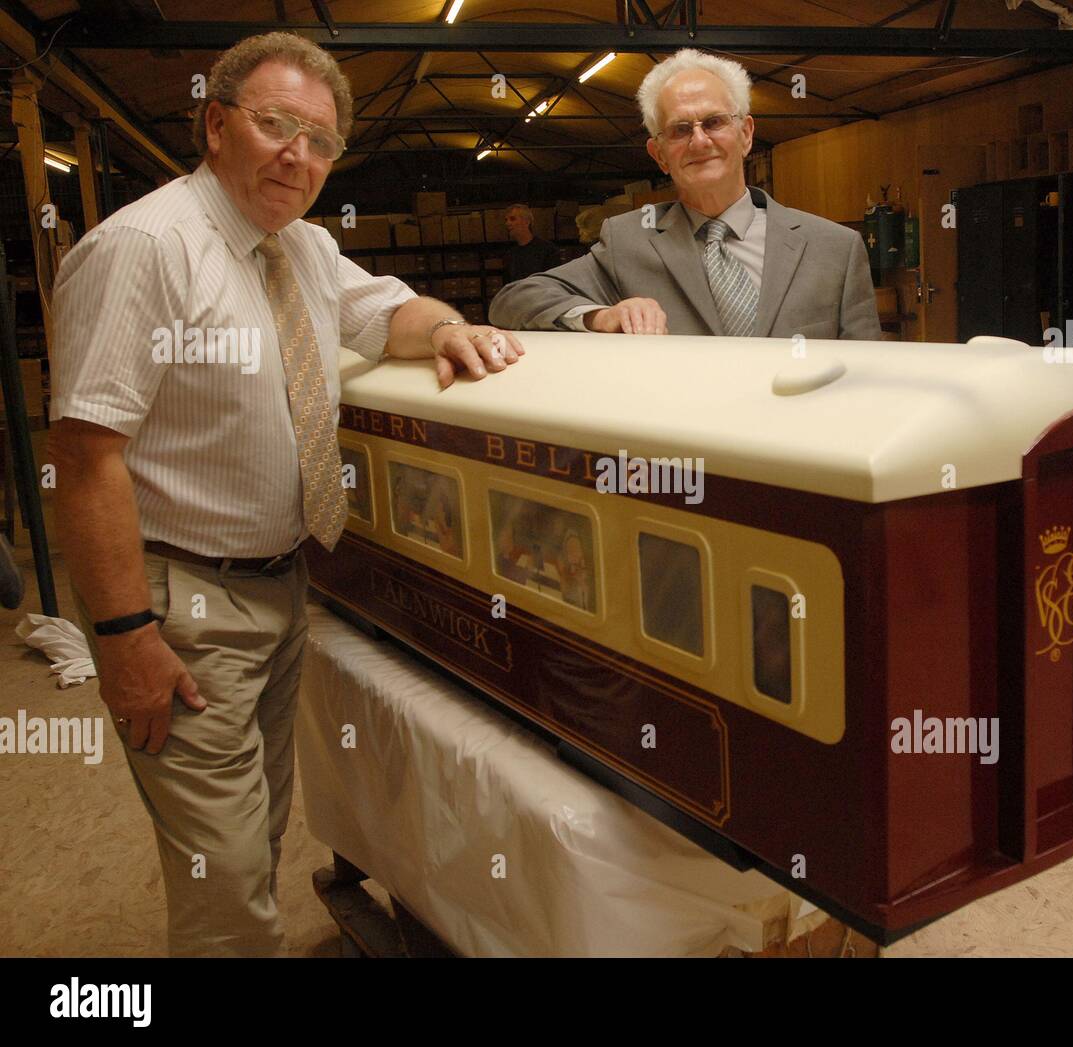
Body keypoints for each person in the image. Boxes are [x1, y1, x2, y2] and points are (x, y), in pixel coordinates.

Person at [46, 31, 522, 957]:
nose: (296, 155)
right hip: (178, 599)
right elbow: (85, 455)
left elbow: (388, 314)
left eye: (320, 140)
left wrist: (453, 325)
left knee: (256, 828)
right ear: (215, 125)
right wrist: (122, 637)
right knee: (223, 873)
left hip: (280, 584)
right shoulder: (144, 248)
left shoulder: (299, 247)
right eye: (274, 126)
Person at [490, 49, 882, 341]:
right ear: (659, 154)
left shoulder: (835, 249)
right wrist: (600, 316)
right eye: (679, 130)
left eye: (713, 122)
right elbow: (514, 300)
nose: (699, 141)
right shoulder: (628, 242)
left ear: (746, 134)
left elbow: (868, 381)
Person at [503, 203, 562, 284]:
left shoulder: (547, 250)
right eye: (506, 220)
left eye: (512, 219)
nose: (507, 223)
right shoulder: (510, 254)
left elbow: (554, 282)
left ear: (527, 222)